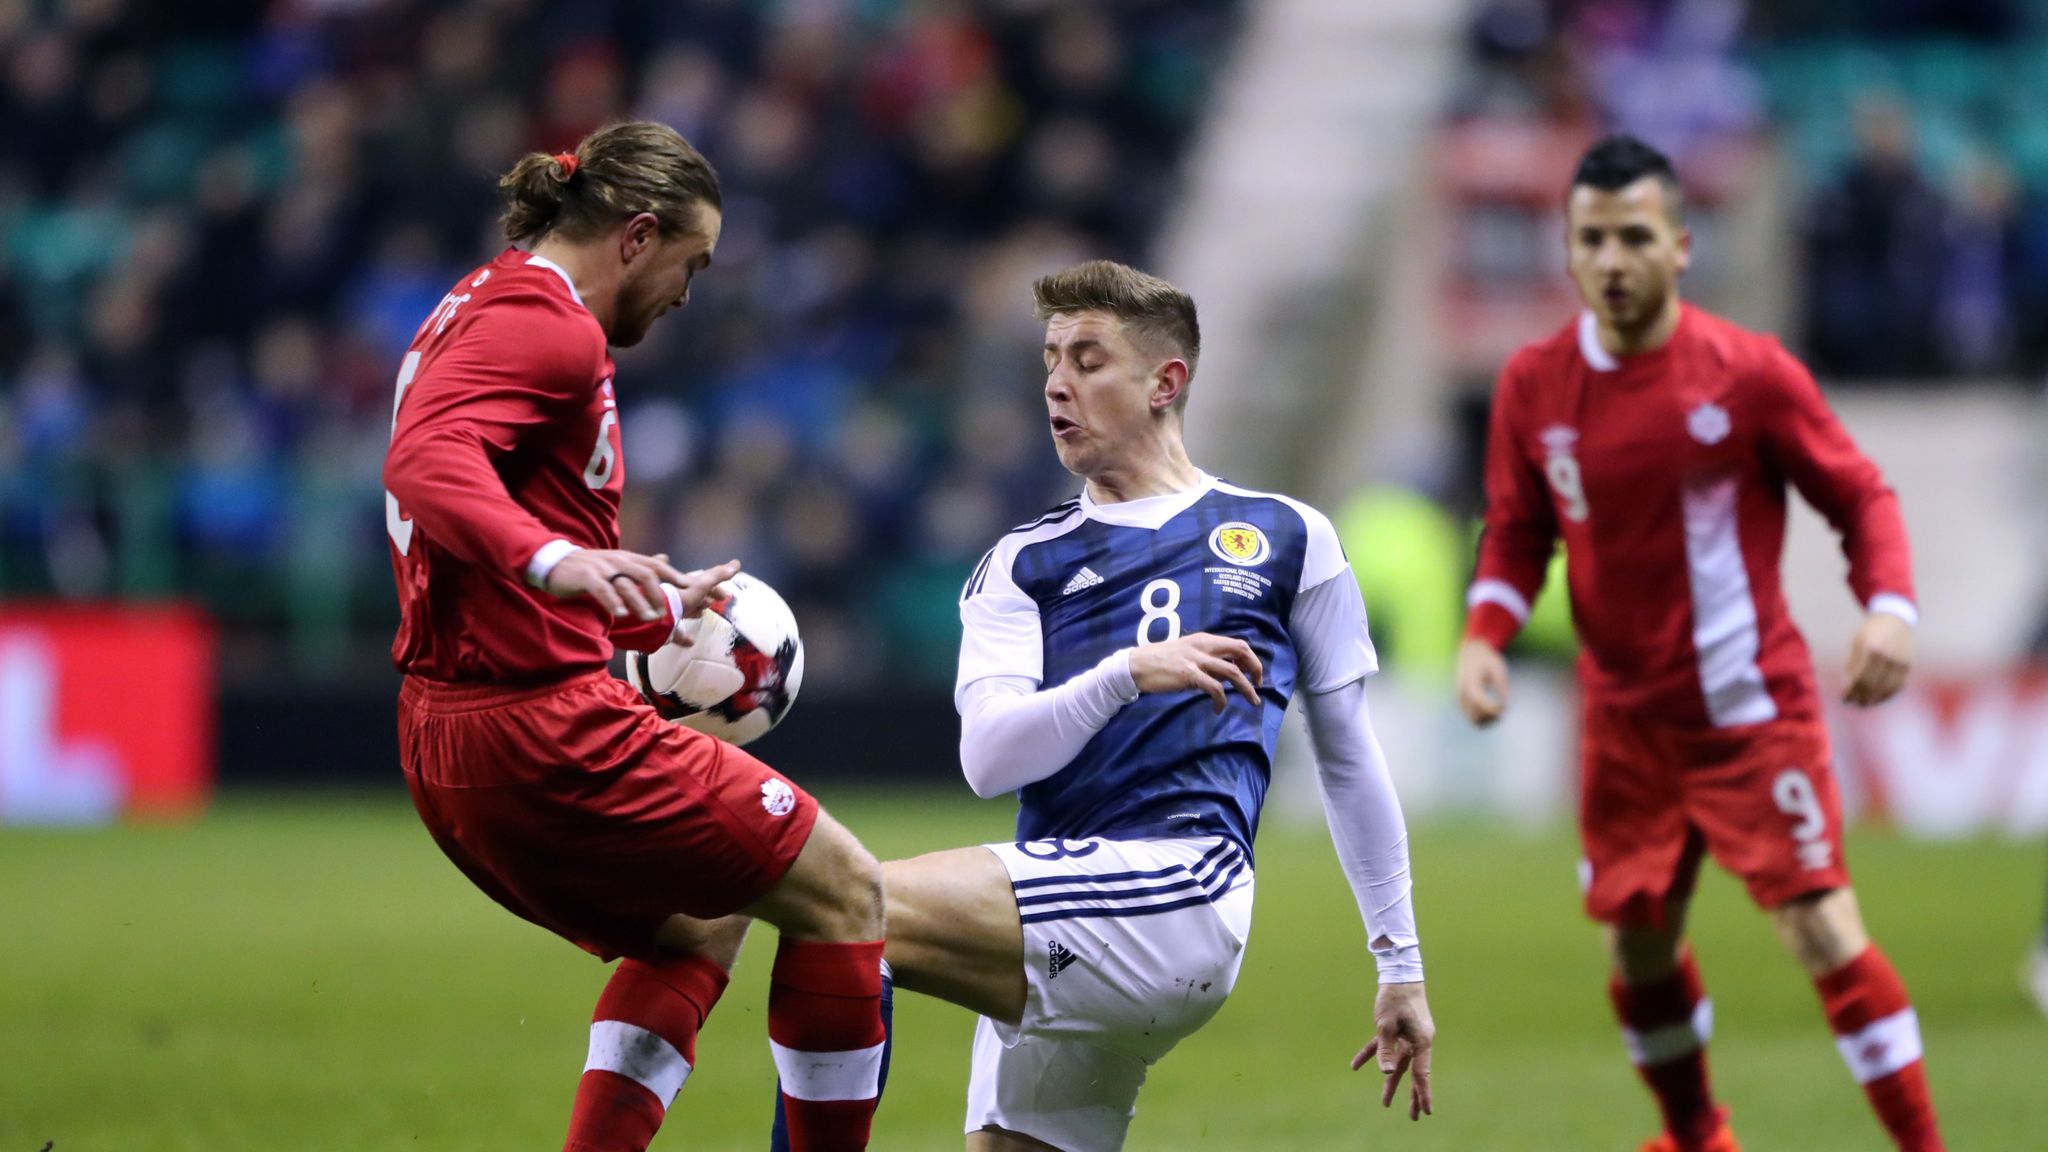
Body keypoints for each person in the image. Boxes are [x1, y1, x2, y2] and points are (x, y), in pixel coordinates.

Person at [779, 259, 1435, 1150]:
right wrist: (1124, 673)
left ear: (1166, 383)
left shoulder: (1288, 536)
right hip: (1061, 897)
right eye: (1051, 360)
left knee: (846, 910)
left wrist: (1401, 964)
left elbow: (1349, 757)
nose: (1058, 384)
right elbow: (988, 762)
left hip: (1183, 891)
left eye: (1088, 361)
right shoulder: (1024, 562)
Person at [381, 121, 887, 1152]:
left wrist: (639, 599)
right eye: (691, 264)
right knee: (847, 893)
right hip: (542, 730)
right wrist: (552, 562)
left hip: (446, 731)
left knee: (705, 918)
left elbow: (482, 501)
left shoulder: (479, 299)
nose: (687, 293)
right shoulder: (552, 327)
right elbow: (426, 463)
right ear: (638, 235)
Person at [1456, 134, 1944, 1152]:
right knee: (1636, 946)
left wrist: (1889, 607)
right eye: (1592, 239)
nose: (1612, 260)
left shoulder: (1747, 375)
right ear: (1567, 249)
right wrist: (1485, 634)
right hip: (1624, 725)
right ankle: (1697, 1138)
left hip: (1747, 712)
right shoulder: (1533, 384)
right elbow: (1517, 529)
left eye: (1635, 237)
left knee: (1817, 924)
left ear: (1680, 246)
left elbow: (1859, 496)